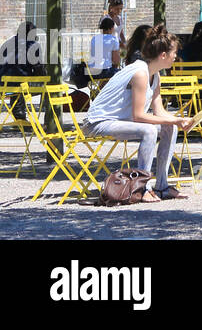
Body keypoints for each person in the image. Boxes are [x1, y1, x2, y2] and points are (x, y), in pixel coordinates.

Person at [82, 24, 194, 201]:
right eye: (174, 53)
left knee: (171, 128)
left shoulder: (154, 74)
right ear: (163, 55)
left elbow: (159, 111)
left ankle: (162, 186)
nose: (176, 57)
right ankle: (141, 188)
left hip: (119, 120)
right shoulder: (140, 73)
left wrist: (179, 120)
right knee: (148, 130)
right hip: (98, 122)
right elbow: (139, 116)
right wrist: (174, 120)